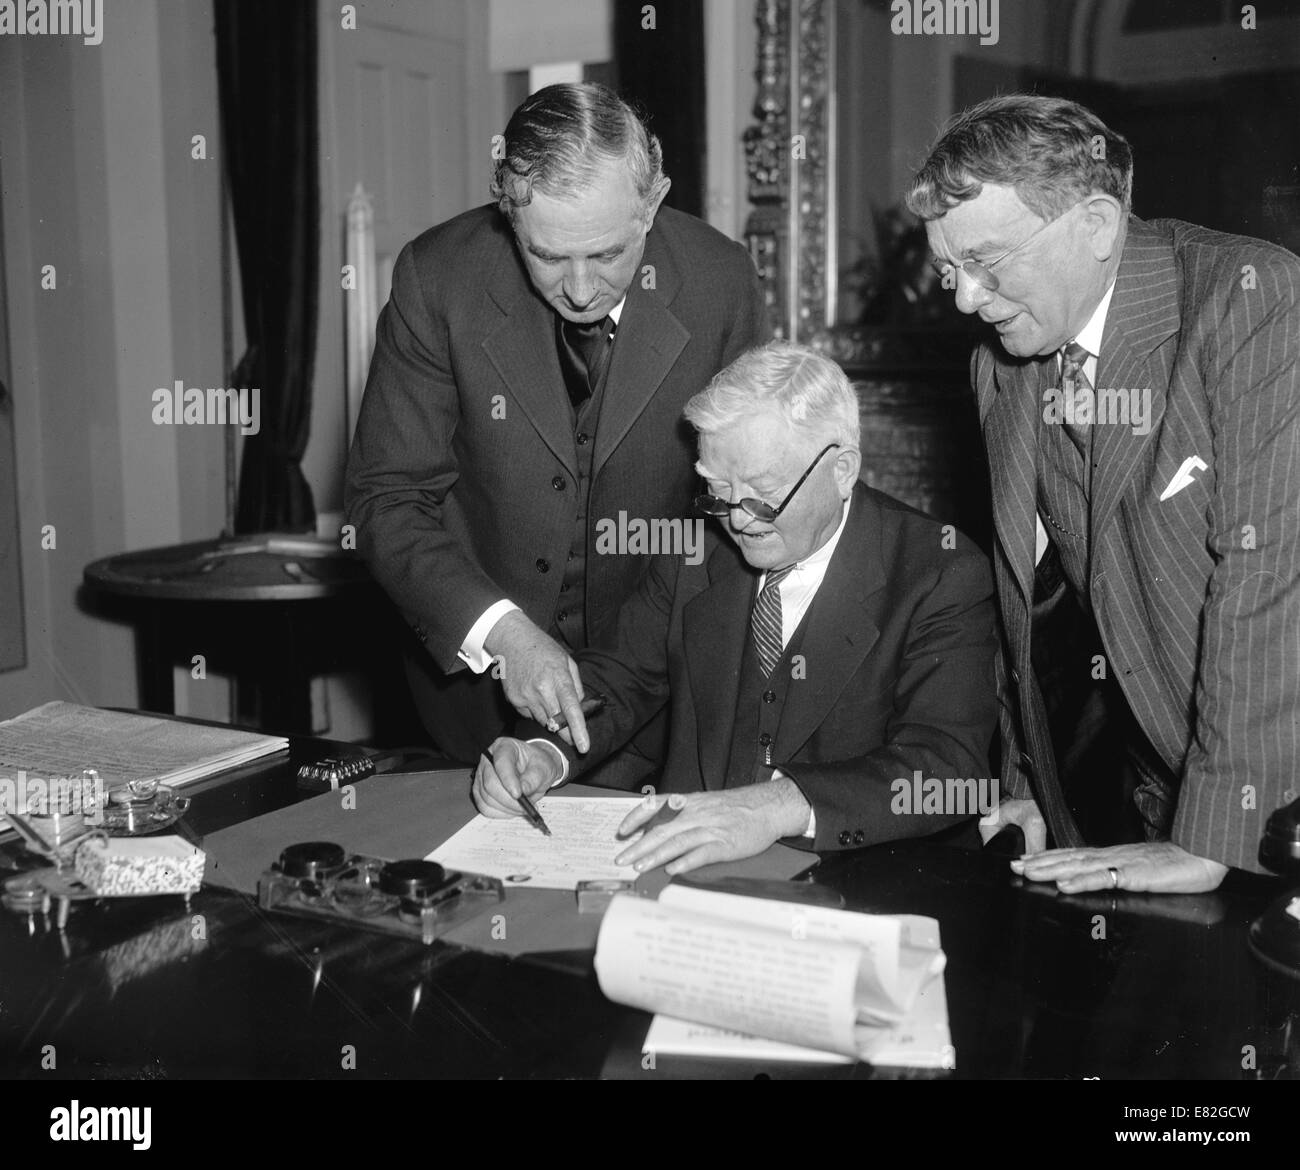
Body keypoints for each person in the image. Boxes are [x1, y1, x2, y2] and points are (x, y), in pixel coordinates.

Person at [905, 94, 1300, 893]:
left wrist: (1214, 837)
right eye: (950, 271)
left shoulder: (1252, 300)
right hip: (1158, 792)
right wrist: (1025, 786)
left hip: (1272, 802)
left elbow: (1266, 579)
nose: (965, 301)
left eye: (987, 263)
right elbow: (1029, 596)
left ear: (1096, 224)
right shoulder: (1004, 363)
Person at [345, 83, 768, 785]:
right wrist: (504, 633)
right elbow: (387, 500)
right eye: (546, 256)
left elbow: (735, 510)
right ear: (509, 214)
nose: (578, 289)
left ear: (653, 201)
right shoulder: (437, 277)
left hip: (656, 697)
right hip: (467, 702)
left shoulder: (721, 282)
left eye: (605, 255)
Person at [473, 342, 999, 874]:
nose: (739, 521)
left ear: (842, 470)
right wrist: (544, 752)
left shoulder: (939, 572)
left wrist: (776, 806)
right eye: (718, 490)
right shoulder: (695, 550)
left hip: (854, 887)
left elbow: (947, 770)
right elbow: (620, 676)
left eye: (764, 495)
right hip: (686, 879)